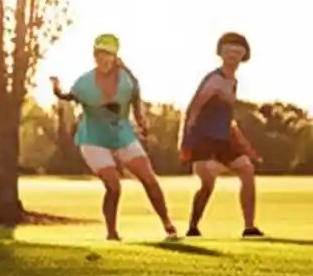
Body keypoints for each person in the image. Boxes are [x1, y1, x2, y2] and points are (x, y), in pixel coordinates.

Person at [50, 33, 178, 241]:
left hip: (122, 136)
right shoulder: (85, 82)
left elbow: (136, 97)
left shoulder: (127, 80)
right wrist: (57, 90)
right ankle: (111, 232)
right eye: (98, 54)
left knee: (150, 179)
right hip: (93, 140)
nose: (102, 59)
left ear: (115, 56)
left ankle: (168, 225)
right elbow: (69, 96)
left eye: (107, 54)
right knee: (113, 185)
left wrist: (141, 119)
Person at [178, 32, 263, 238]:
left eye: (237, 50)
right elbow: (193, 110)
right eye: (228, 50)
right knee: (208, 181)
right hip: (202, 139)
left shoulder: (232, 81)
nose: (233, 54)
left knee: (247, 169)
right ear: (221, 53)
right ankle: (193, 227)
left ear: (244, 54)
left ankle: (249, 227)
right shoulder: (214, 80)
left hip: (223, 140)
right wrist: (185, 143)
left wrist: (246, 147)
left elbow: (228, 120)